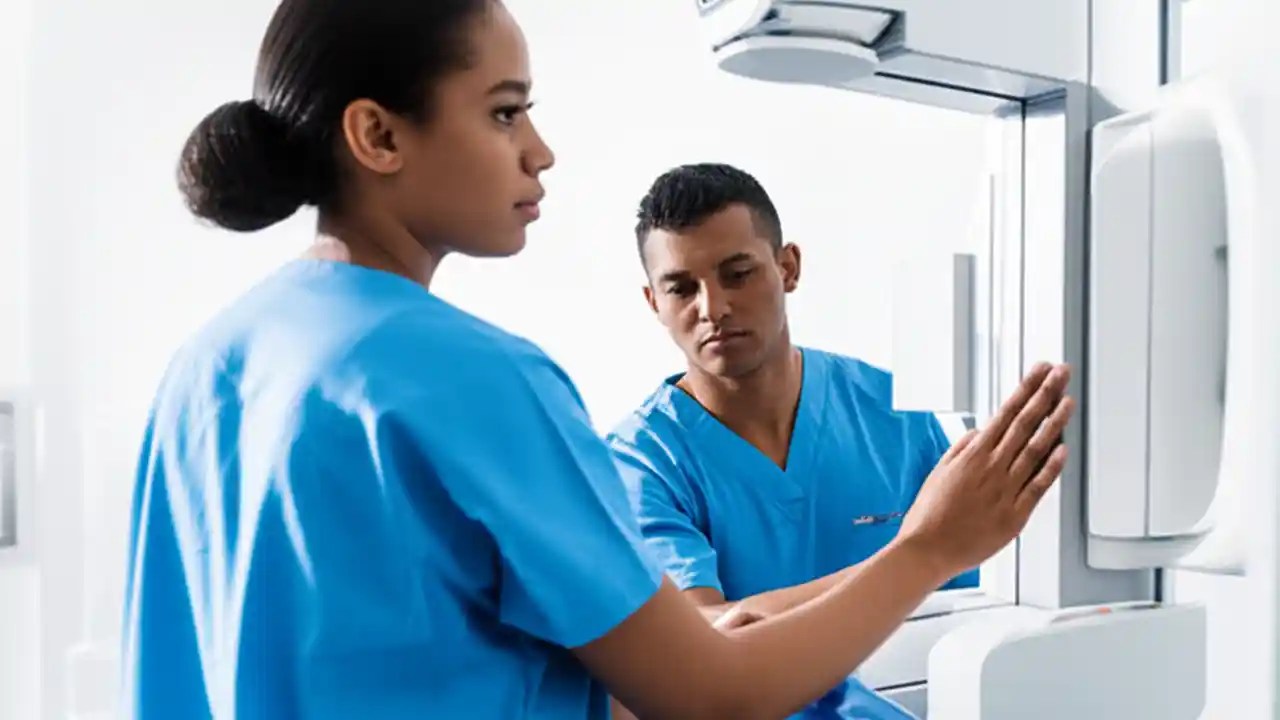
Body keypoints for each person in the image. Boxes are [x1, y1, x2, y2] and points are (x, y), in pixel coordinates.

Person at [119, 1, 1076, 719]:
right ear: (378, 135)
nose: (540, 152)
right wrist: (930, 547)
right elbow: (709, 696)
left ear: (787, 268)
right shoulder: (470, 379)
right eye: (504, 114)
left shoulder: (202, 369)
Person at [605, 163, 978, 718]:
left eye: (737, 274)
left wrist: (935, 552)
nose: (713, 308)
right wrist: (920, 555)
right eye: (681, 288)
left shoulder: (893, 412)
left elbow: (971, 605)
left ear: (788, 267)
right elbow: (698, 644)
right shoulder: (640, 464)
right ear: (652, 301)